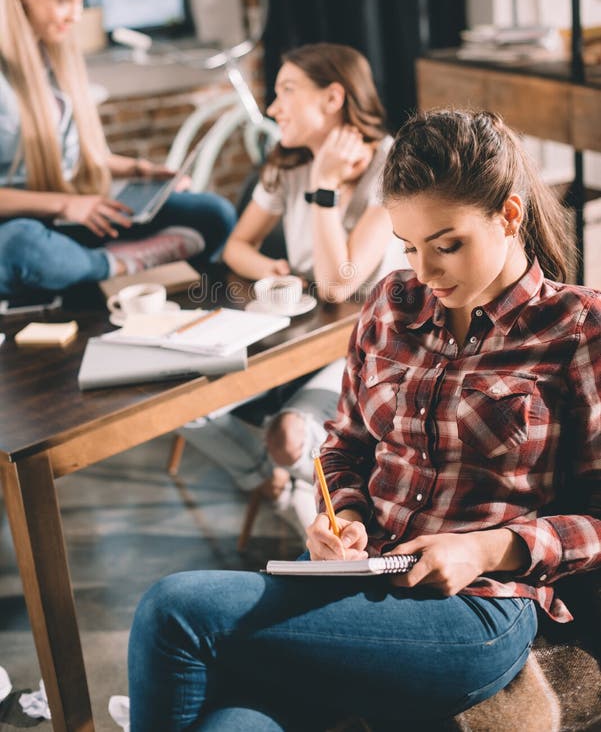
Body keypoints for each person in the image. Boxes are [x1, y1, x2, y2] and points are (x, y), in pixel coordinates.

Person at [128, 109, 601, 730]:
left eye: (447, 244)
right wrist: (342, 518)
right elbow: (343, 446)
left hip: (473, 609)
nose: (425, 273)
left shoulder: (577, 329)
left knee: (173, 611)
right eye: (408, 247)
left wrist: (485, 548)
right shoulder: (390, 304)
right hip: (353, 579)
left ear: (509, 216)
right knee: (232, 724)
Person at [179, 42, 404, 535]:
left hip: (365, 348)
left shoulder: (392, 167)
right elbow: (237, 245)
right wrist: (271, 268)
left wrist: (324, 187)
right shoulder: (286, 163)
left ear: (332, 98)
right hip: (289, 334)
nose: (273, 108)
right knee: (183, 403)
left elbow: (337, 282)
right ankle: (273, 484)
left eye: (287, 91)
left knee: (287, 434)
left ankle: (337, 517)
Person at [0, 0, 236, 298]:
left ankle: (95, 263)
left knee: (213, 213)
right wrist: (66, 204)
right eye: (63, 1)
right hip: (25, 227)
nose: (76, 16)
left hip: (70, 220)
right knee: (20, 247)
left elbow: (76, 156)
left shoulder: (55, 58)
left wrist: (141, 171)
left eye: (81, 1)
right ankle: (118, 265)